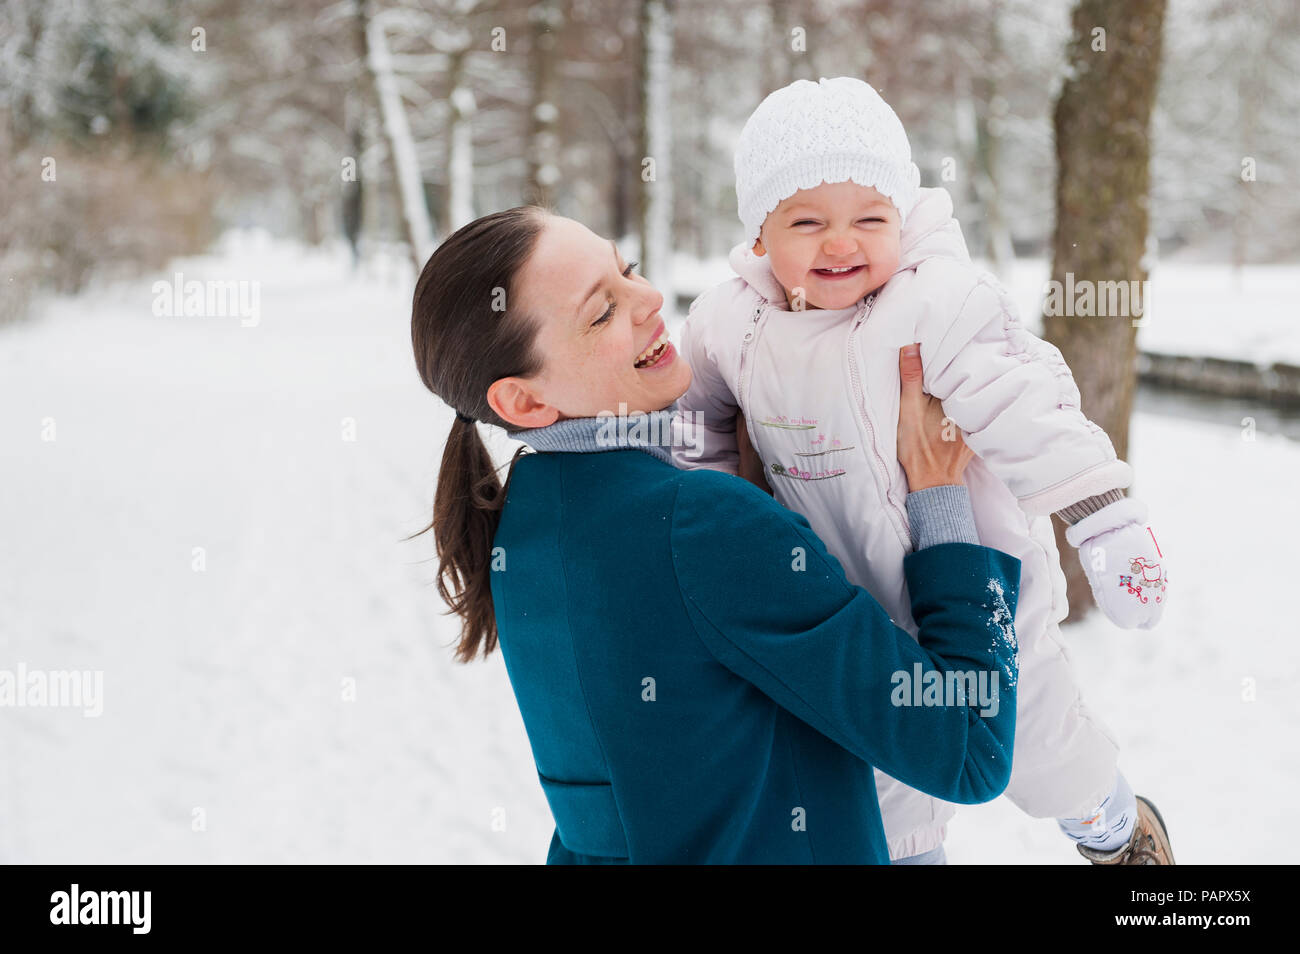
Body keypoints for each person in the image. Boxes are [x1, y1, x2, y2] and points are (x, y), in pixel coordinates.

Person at [411, 206, 1022, 864]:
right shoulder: (701, 523)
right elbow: (968, 744)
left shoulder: (520, 526)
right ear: (524, 402)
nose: (648, 300)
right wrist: (937, 495)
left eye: (628, 270)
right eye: (602, 312)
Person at [674, 76, 1174, 864]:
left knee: (1037, 735)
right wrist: (710, 504)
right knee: (876, 765)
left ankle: (1110, 825)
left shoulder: (933, 304)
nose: (843, 244)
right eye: (809, 222)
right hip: (843, 590)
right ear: (760, 235)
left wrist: (1103, 516)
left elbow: (1025, 402)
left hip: (978, 579)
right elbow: (690, 423)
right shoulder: (729, 324)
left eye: (870, 219)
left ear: (902, 219)